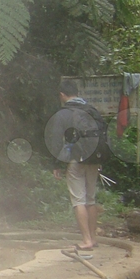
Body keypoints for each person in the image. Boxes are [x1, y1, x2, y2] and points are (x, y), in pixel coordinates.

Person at [47, 80, 105, 255]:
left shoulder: (63, 113)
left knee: (78, 200)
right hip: (94, 159)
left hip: (75, 160)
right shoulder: (92, 110)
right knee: (91, 199)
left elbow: (56, 139)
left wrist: (57, 164)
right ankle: (93, 238)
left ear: (62, 95)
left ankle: (86, 240)